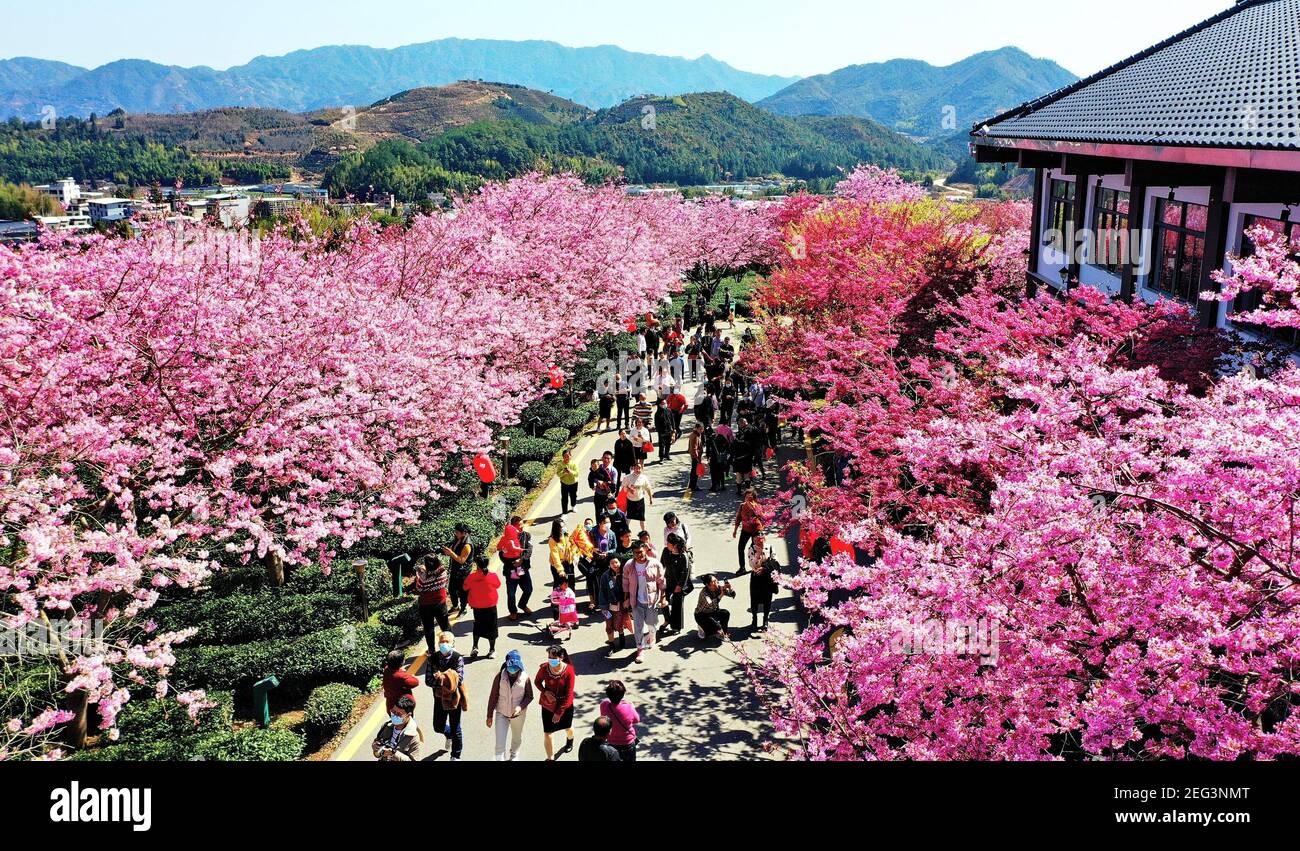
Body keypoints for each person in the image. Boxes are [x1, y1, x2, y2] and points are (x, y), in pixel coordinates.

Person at [424, 632, 467, 761]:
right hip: (439, 699)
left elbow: (458, 680)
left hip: (454, 699)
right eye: (442, 642)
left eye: (447, 642)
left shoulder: (457, 658)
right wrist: (447, 680)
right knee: (438, 726)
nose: (444, 644)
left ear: (453, 643)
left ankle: (455, 755)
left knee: (456, 727)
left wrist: (441, 679)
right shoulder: (432, 659)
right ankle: (448, 735)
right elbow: (428, 680)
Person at [486, 650, 533, 761]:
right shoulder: (500, 676)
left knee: (516, 738)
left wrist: (520, 707)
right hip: (501, 714)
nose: (512, 670)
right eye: (510, 667)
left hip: (518, 715)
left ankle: (514, 754)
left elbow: (529, 696)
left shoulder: (525, 678)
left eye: (515, 667)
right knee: (499, 743)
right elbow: (493, 696)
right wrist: (489, 715)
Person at [623, 542, 666, 662]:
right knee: (638, 627)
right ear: (633, 553)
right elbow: (625, 583)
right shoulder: (629, 566)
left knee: (652, 623)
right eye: (636, 553)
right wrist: (626, 598)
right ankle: (640, 649)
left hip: (652, 602)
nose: (639, 555)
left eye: (641, 552)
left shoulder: (655, 564)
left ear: (645, 550)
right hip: (636, 602)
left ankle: (652, 636)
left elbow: (661, 582)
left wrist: (663, 598)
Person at [535, 645, 577, 760]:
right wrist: (545, 692)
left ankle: (570, 740)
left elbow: (569, 695)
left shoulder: (569, 671)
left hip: (564, 706)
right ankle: (550, 757)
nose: (550, 660)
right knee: (548, 733)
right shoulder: (544, 668)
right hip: (548, 705)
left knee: (568, 728)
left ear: (561, 657)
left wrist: (559, 712)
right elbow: (537, 682)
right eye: (549, 657)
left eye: (553, 658)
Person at [413, 554, 451, 653]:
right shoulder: (443, 572)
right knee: (445, 626)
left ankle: (431, 650)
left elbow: (418, 589)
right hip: (440, 603)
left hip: (425, 605)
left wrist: (420, 572)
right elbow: (444, 582)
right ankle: (450, 645)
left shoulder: (422, 577)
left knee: (428, 628)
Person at [465, 556, 501, 658]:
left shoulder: (471, 577)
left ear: (477, 564)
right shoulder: (492, 576)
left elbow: (465, 587)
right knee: (492, 627)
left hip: (477, 606)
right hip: (490, 605)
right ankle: (492, 650)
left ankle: (475, 647)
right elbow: (498, 585)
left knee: (477, 626)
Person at [599, 680, 641, 762]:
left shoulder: (604, 705)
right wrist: (630, 705)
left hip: (611, 743)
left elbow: (604, 715)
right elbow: (637, 720)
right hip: (628, 743)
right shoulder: (629, 707)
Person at [502, 516, 533, 621]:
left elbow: (529, 550)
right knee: (511, 593)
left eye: (522, 524)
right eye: (519, 524)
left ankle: (522, 604)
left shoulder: (526, 536)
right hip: (510, 570)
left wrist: (521, 560)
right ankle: (513, 612)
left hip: (523, 568)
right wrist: (511, 562)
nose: (521, 526)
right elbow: (502, 554)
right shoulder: (506, 539)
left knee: (528, 589)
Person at [660, 533, 691, 637]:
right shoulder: (666, 551)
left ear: (675, 545)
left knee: (677, 605)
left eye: (668, 543)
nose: (666, 544)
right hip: (668, 581)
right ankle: (667, 619)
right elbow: (661, 565)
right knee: (663, 601)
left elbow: (686, 572)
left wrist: (679, 586)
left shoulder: (683, 555)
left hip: (679, 584)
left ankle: (676, 627)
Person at [597, 558, 632, 652]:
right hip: (608, 605)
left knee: (620, 623)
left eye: (616, 562)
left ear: (620, 562)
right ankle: (611, 645)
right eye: (611, 563)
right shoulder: (605, 576)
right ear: (609, 564)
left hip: (621, 604)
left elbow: (630, 588)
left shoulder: (625, 573)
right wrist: (603, 607)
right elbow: (602, 591)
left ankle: (621, 638)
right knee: (609, 626)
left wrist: (628, 600)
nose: (614, 564)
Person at [372, 695, 421, 762]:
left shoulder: (413, 738)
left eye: (399, 714)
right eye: (393, 711)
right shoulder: (386, 725)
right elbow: (378, 751)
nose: (394, 715)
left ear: (408, 715)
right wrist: (375, 747)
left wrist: (394, 754)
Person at [441, 523, 474, 618]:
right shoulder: (458, 539)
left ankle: (463, 609)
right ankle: (455, 606)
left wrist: (451, 553)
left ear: (463, 533)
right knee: (451, 589)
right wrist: (448, 551)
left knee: (462, 591)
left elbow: (461, 560)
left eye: (457, 532)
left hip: (463, 572)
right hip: (455, 569)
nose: (455, 534)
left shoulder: (467, 545)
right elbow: (453, 551)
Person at [748, 535, 780, 631]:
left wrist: (765, 568)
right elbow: (752, 565)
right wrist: (758, 554)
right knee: (754, 600)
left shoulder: (770, 548)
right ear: (753, 540)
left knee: (767, 600)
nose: (759, 542)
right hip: (756, 578)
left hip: (767, 578)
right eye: (757, 540)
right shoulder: (751, 549)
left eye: (761, 540)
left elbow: (776, 562)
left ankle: (765, 620)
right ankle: (754, 619)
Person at [695, 574, 736, 642]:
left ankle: (724, 634)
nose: (717, 582)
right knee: (715, 629)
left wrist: (730, 589)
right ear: (709, 584)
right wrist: (721, 595)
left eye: (716, 580)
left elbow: (732, 595)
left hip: (713, 611)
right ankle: (702, 628)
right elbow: (710, 604)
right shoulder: (704, 593)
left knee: (725, 613)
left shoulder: (718, 588)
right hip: (701, 615)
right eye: (714, 581)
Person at [733, 489, 763, 575]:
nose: (748, 499)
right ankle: (742, 568)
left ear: (754, 498)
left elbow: (760, 516)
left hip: (756, 530)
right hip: (745, 529)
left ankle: (757, 567)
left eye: (750, 497)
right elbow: (738, 518)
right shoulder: (742, 506)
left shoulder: (757, 506)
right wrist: (735, 530)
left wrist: (752, 507)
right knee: (740, 548)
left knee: (756, 549)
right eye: (746, 497)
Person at [620, 461, 654, 533]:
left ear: (642, 468)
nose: (638, 470)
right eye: (636, 468)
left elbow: (648, 488)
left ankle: (644, 533)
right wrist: (629, 489)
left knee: (642, 518)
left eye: (639, 468)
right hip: (630, 500)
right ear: (633, 468)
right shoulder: (628, 477)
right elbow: (623, 487)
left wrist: (650, 498)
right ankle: (625, 531)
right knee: (628, 517)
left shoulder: (644, 478)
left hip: (640, 500)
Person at [381, 650, 418, 714]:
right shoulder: (400, 676)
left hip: (390, 705)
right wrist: (406, 674)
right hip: (402, 708)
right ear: (401, 663)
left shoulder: (387, 669)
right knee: (407, 723)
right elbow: (415, 682)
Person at [547, 519, 576, 588]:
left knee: (571, 583)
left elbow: (573, 545)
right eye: (561, 527)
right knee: (559, 584)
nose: (563, 528)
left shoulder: (567, 535)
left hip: (568, 562)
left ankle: (571, 598)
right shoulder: (552, 540)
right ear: (557, 529)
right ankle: (556, 598)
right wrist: (560, 570)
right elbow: (555, 555)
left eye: (564, 526)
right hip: (558, 565)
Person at [708, 428, 731, 494]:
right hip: (720, 457)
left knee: (714, 472)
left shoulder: (710, 438)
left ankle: (715, 486)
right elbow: (727, 446)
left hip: (714, 458)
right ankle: (721, 486)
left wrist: (708, 457)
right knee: (720, 472)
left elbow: (708, 449)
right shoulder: (721, 437)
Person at [558, 450, 580, 514]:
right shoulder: (560, 464)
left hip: (574, 483)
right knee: (564, 498)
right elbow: (558, 474)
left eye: (568, 456)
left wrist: (571, 472)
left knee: (573, 496)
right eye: (565, 456)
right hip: (564, 483)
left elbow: (577, 473)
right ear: (563, 457)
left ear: (571, 456)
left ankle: (573, 505)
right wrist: (563, 472)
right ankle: (564, 512)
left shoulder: (574, 464)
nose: (567, 458)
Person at [687, 424, 705, 494]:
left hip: (694, 456)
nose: (701, 431)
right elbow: (694, 448)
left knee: (693, 471)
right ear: (696, 428)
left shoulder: (694, 434)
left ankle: (691, 485)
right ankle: (693, 486)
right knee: (695, 472)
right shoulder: (695, 436)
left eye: (702, 429)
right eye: (700, 429)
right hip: (695, 456)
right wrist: (698, 458)